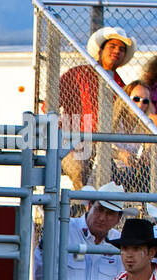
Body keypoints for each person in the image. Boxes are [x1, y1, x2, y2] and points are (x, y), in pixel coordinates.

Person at [58, 26, 136, 187]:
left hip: (106, 144)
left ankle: (98, 206)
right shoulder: (77, 75)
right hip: (74, 141)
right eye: (112, 47)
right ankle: (84, 205)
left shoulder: (121, 86)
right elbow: (50, 105)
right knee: (78, 168)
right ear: (100, 50)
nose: (117, 51)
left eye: (121, 49)